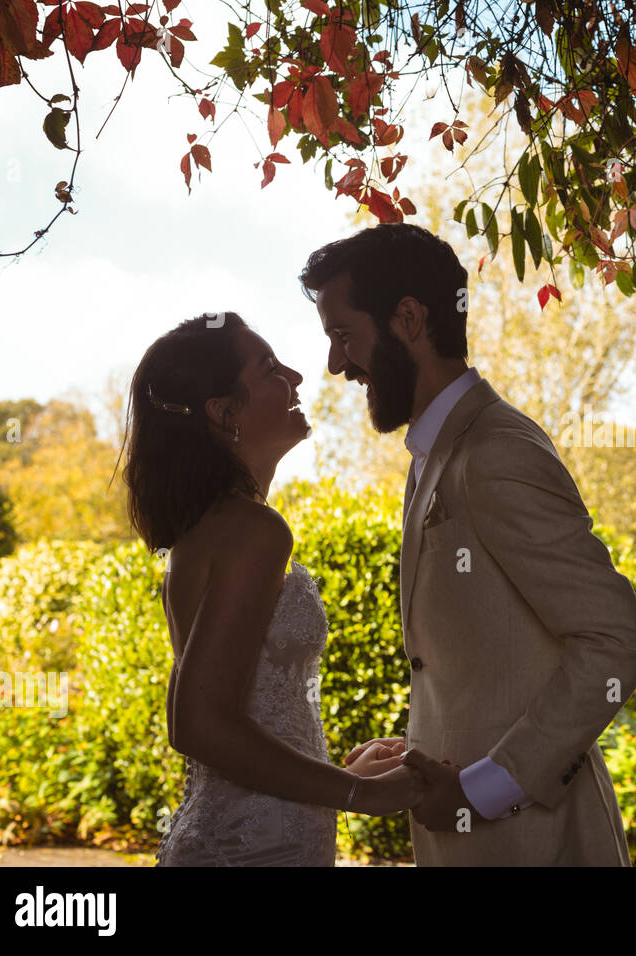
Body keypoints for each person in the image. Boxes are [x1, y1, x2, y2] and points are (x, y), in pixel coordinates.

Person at [300, 223, 636, 865]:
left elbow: (616, 640)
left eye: (343, 335)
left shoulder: (495, 452)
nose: (336, 364)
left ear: (408, 318)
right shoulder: (435, 453)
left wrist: (480, 790)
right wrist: (419, 744)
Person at [117, 312, 425, 866]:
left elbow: (213, 711)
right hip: (252, 850)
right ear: (223, 411)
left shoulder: (207, 532)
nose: (297, 377)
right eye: (269, 369)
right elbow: (198, 725)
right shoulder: (252, 532)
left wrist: (339, 774)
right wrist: (362, 793)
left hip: (249, 836)